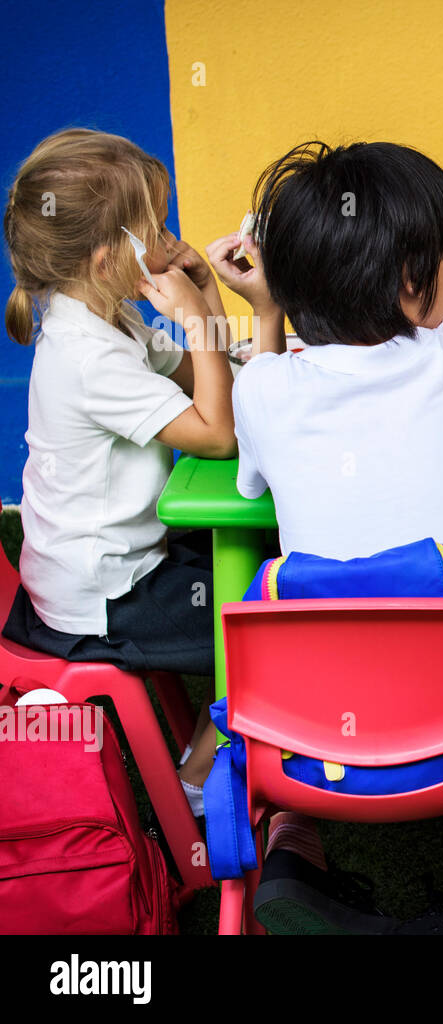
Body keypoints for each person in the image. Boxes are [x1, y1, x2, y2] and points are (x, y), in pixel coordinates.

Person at [212, 140, 443, 934]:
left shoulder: (265, 389)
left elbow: (256, 473)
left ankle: (294, 838)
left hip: (310, 723)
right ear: (414, 283)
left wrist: (267, 312)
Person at [2, 129, 237, 811]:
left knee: (273, 557)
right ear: (109, 260)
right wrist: (194, 321)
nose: (168, 239)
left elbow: (213, 379)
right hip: (103, 599)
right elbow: (216, 435)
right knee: (268, 623)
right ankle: (195, 782)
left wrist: (208, 303)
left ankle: (207, 747)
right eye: (154, 226)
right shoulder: (89, 357)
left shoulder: (112, 324)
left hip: (120, 564)